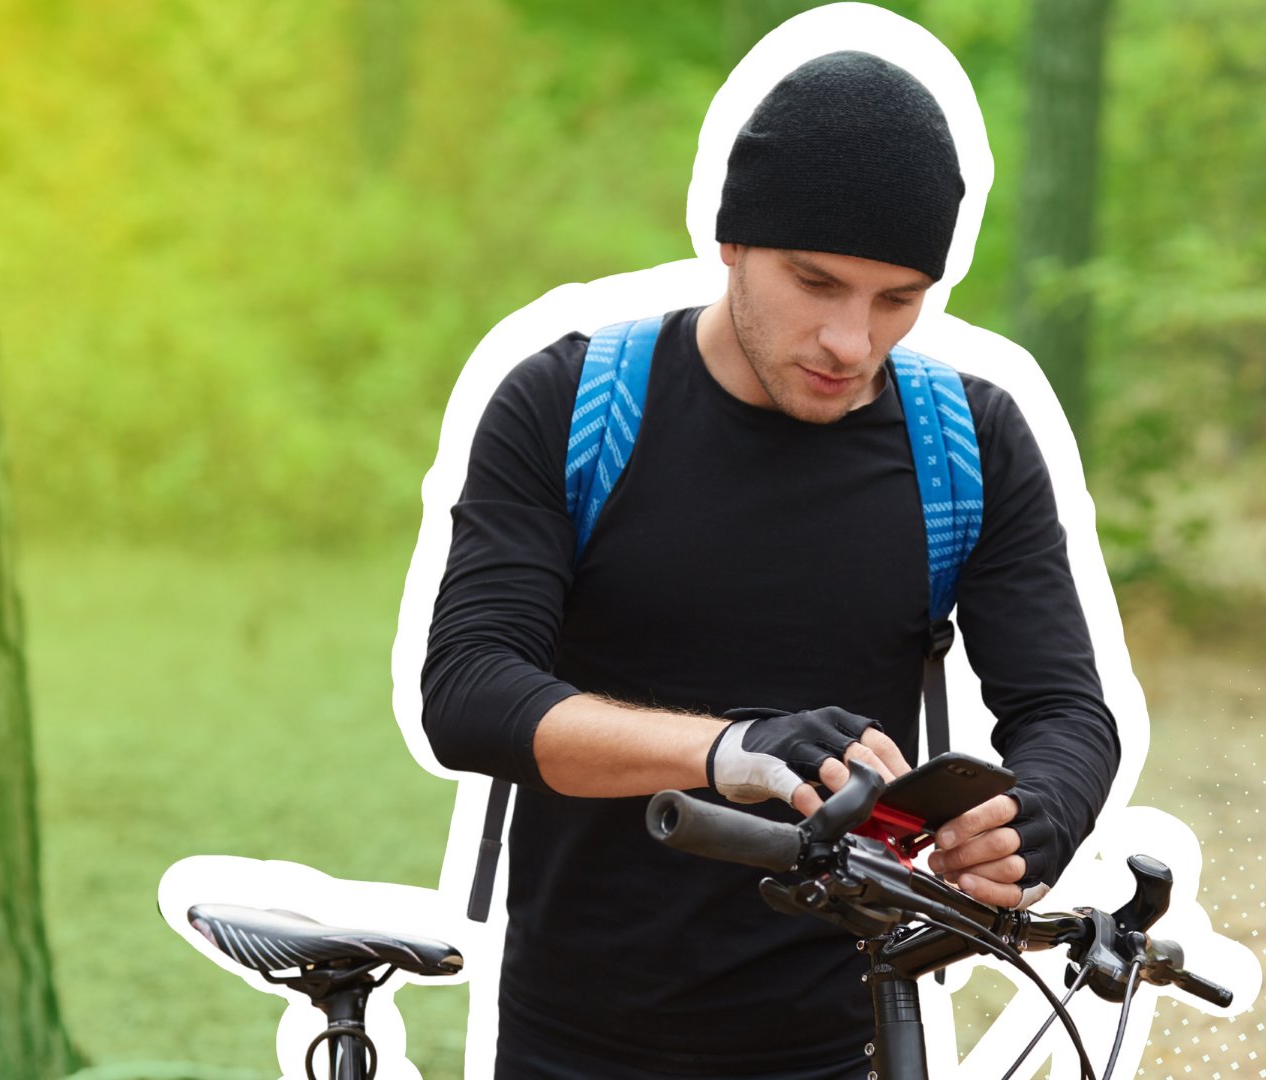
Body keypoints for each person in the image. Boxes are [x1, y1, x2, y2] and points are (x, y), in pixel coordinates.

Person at [421, 50, 1119, 1079]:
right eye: (816, 282)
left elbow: (1064, 709)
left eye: (898, 299)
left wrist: (1038, 813)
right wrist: (735, 750)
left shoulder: (967, 443)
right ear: (731, 241)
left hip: (846, 1034)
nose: (851, 340)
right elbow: (471, 691)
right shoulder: (569, 406)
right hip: (573, 1038)